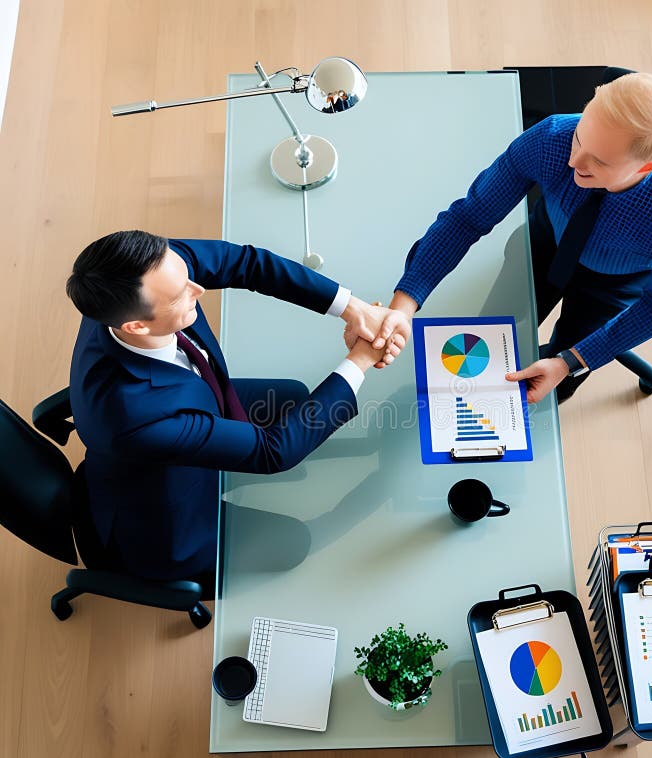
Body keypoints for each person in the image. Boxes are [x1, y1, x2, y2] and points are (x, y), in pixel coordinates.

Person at [66, 231, 409, 588]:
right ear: (135, 326)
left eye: (186, 275)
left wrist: (355, 309)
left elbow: (245, 263)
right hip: (168, 513)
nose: (197, 289)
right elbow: (272, 452)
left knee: (292, 397)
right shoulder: (133, 419)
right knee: (294, 542)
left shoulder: (148, 269)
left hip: (192, 399)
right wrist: (361, 359)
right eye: (181, 294)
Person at [381, 72, 652, 403]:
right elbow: (468, 217)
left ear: (645, 167)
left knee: (552, 388)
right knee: (481, 345)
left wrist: (569, 363)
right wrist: (404, 304)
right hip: (544, 243)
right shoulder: (552, 137)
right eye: (579, 138)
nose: (574, 161)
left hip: (614, 283)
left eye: (598, 161)